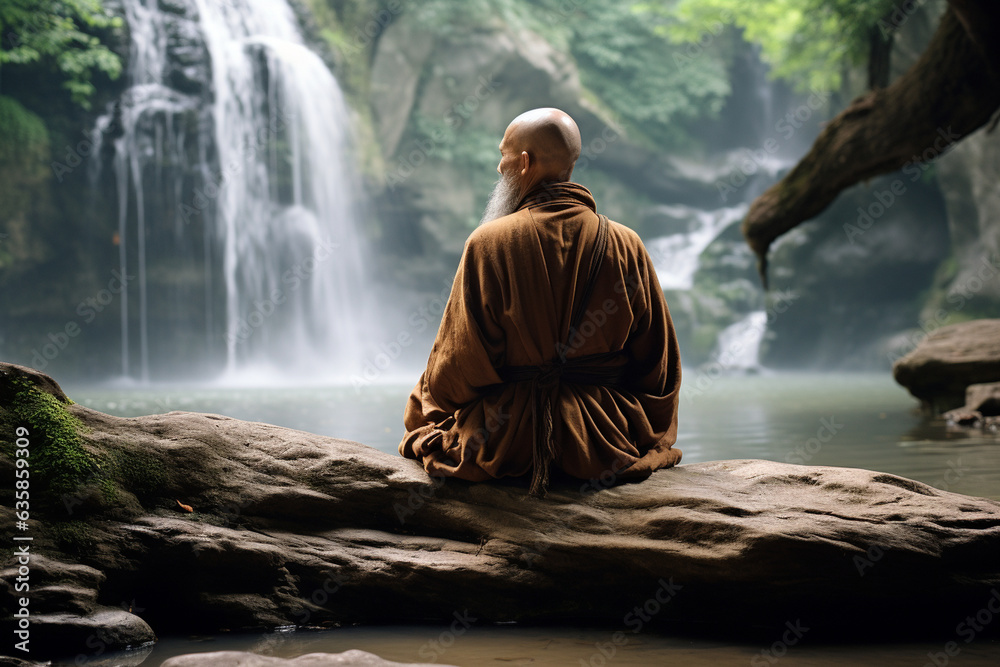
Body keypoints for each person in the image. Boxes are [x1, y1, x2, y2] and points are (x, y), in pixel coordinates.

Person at [398, 107, 682, 496]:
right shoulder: (626, 244)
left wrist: (422, 421)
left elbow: (457, 366)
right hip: (602, 443)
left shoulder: (489, 244)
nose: (500, 168)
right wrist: (640, 430)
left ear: (525, 163)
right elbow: (658, 367)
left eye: (504, 156)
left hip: (506, 442)